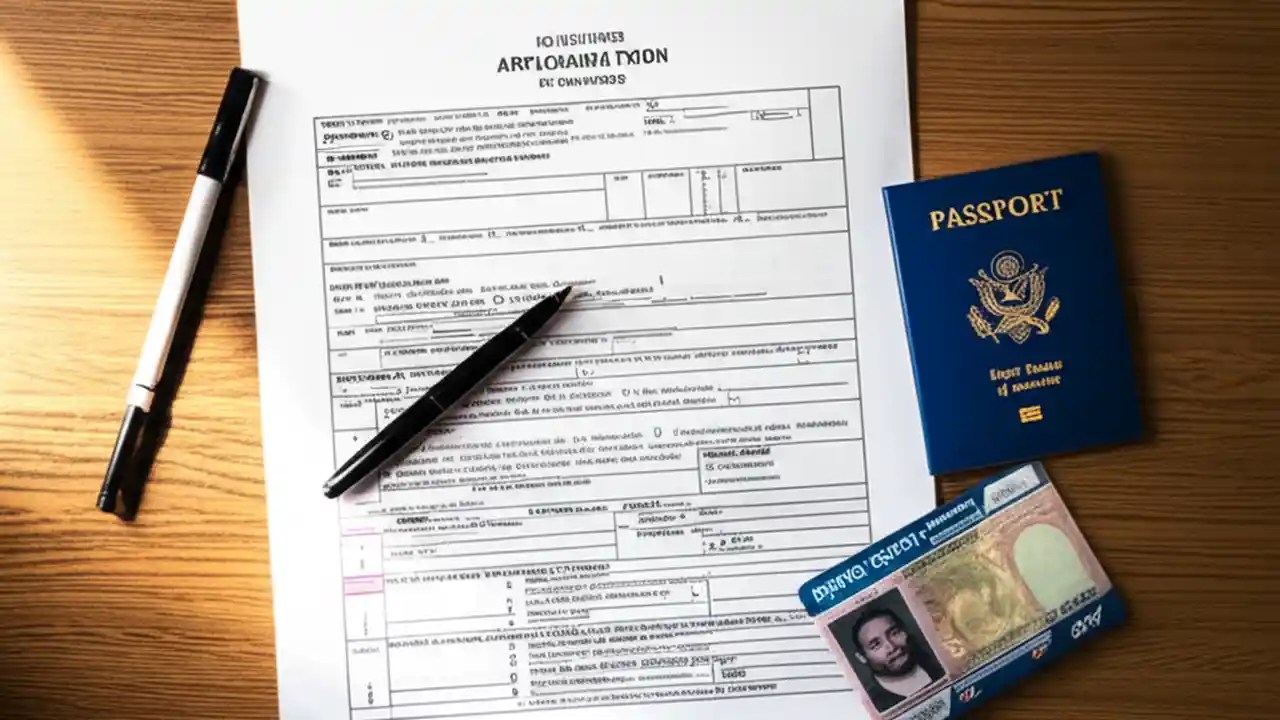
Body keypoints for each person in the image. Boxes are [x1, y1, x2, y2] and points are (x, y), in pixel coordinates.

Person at [849, 607, 944, 712]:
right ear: (862, 657)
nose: (892, 647)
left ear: (905, 630)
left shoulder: (940, 661)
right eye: (876, 645)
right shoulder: (872, 705)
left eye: (894, 633)